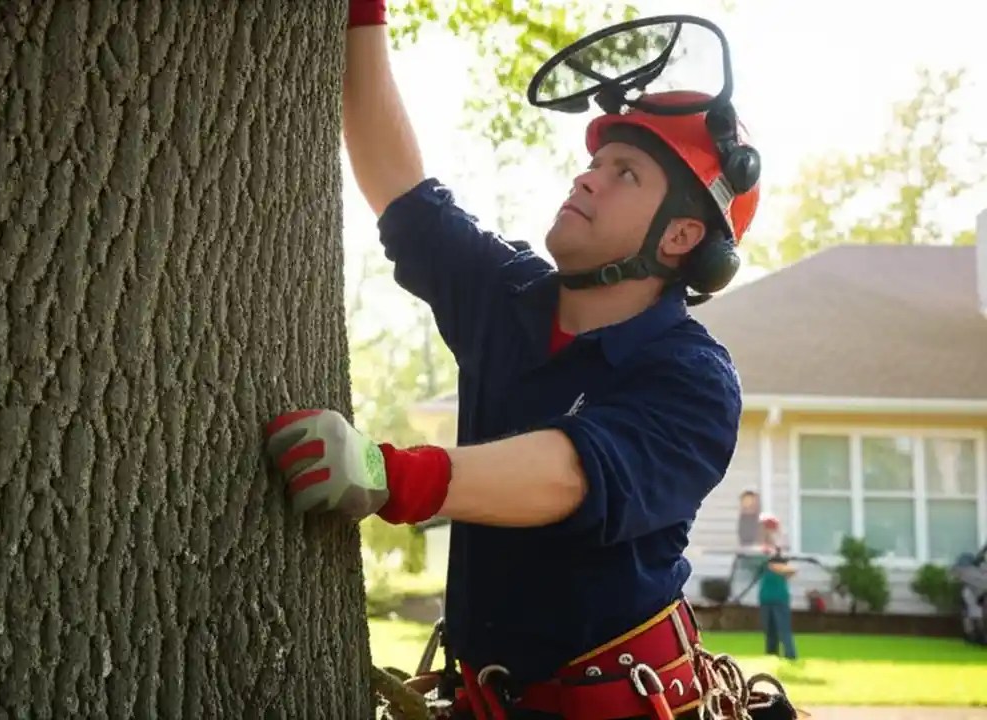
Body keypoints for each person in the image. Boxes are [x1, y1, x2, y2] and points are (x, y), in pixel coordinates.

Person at [264, 3, 781, 719]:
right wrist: (361, 12)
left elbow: (572, 473)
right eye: (595, 161)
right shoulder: (509, 296)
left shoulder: (693, 378)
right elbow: (400, 188)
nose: (588, 177)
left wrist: (394, 474)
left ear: (681, 235)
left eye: (626, 172)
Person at [757, 515, 799, 660]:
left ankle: (790, 655)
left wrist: (782, 568)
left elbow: (789, 570)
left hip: (780, 596)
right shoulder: (763, 552)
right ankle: (772, 657)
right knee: (770, 632)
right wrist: (782, 568)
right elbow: (775, 567)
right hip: (766, 596)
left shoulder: (779, 552)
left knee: (783, 630)